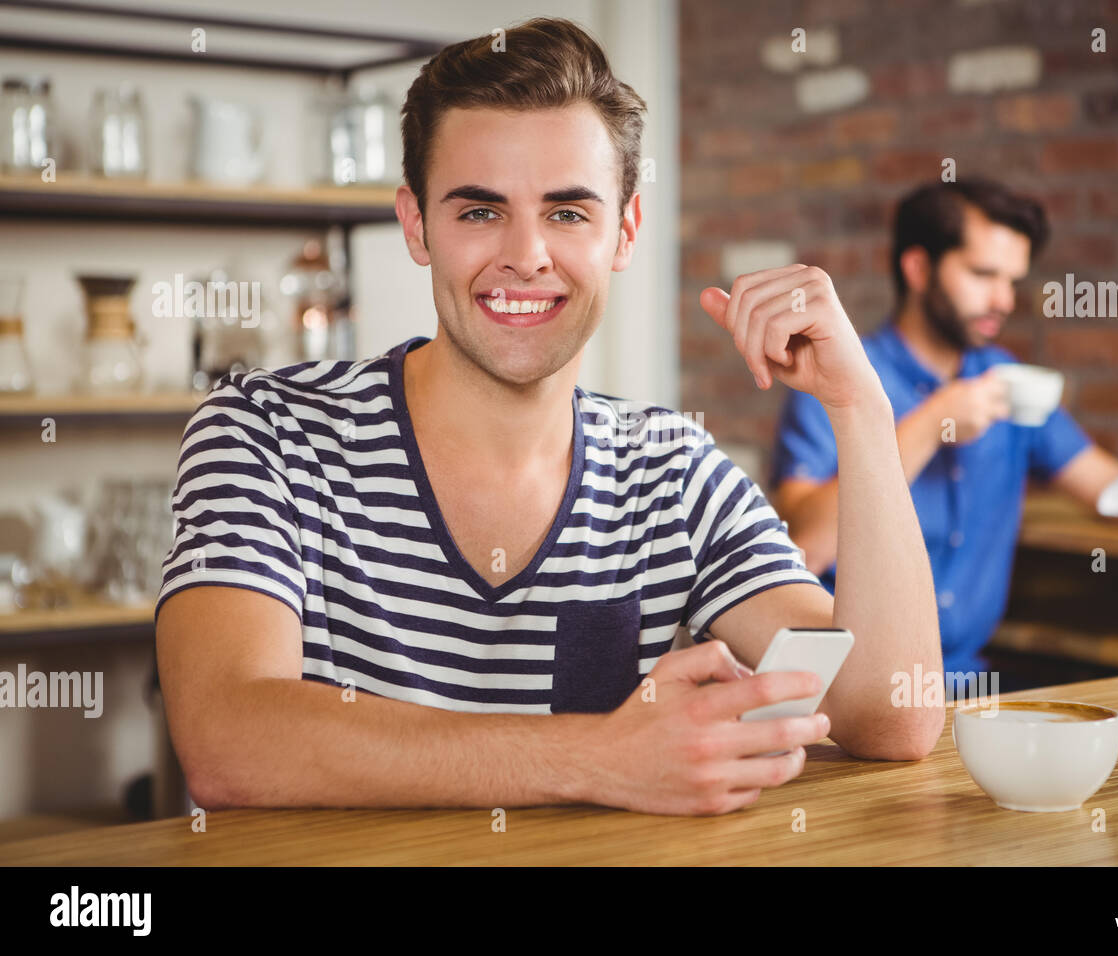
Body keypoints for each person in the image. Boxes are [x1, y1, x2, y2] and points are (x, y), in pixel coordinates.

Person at [155, 17, 943, 818]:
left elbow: (892, 714)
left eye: (568, 213)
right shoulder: (263, 429)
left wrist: (863, 408)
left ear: (624, 231)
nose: (527, 255)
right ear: (416, 223)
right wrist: (600, 757)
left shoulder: (672, 465)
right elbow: (228, 738)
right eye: (479, 211)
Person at [771, 177, 1118, 687]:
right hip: (852, 685)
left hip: (967, 685)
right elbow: (804, 545)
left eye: (1012, 280)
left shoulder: (1009, 381)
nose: (1004, 299)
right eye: (984, 274)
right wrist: (930, 424)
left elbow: (1116, 493)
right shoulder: (837, 379)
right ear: (918, 269)